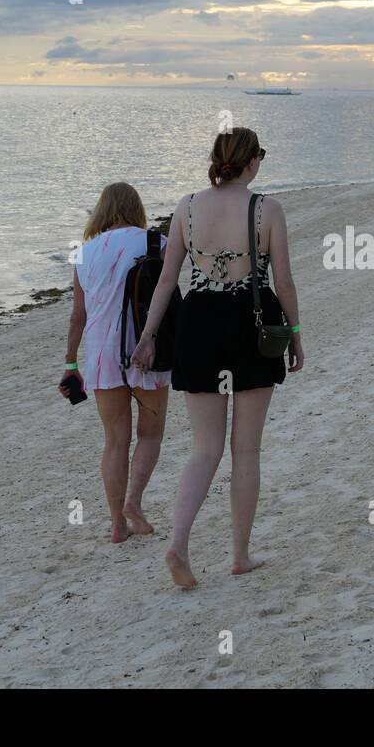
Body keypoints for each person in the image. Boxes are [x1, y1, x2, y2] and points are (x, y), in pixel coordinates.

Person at [131, 128, 303, 588]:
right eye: (260, 155)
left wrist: (148, 336)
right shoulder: (267, 209)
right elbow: (282, 282)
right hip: (252, 323)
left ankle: (179, 544)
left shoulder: (186, 206)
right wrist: (296, 335)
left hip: (200, 324)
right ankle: (240, 555)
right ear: (250, 161)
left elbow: (167, 280)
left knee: (203, 449)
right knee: (246, 449)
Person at [62, 182, 171, 544]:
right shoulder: (157, 243)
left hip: (103, 354)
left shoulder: (83, 253)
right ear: (136, 207)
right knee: (150, 434)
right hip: (148, 348)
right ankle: (133, 503)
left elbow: (78, 316)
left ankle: (116, 525)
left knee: (114, 441)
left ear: (101, 210)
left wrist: (70, 363)